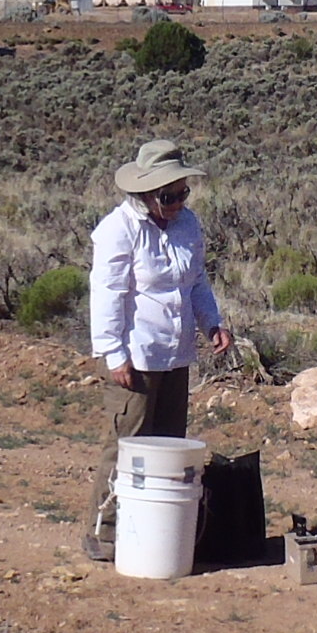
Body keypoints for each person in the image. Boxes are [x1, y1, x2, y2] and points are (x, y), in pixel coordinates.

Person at [84, 138, 231, 561]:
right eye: (170, 196)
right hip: (135, 355)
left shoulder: (188, 225)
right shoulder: (119, 228)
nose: (178, 202)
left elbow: (197, 281)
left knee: (167, 447)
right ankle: (104, 533)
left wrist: (212, 322)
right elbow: (108, 292)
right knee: (125, 445)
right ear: (145, 192)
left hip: (175, 352)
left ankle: (156, 534)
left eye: (183, 192)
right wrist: (114, 354)